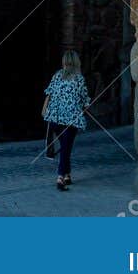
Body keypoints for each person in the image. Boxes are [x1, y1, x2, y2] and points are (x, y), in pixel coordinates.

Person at [42, 49, 91, 190]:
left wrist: (45, 110)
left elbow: (49, 93)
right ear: (77, 62)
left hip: (54, 118)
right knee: (66, 148)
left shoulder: (57, 75)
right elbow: (84, 99)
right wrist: (86, 106)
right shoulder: (79, 79)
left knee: (65, 147)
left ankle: (67, 174)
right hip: (71, 119)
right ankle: (60, 177)